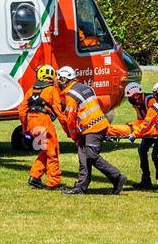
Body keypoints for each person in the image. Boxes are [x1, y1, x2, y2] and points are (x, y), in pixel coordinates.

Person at [56, 66, 132, 195]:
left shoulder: (71, 95)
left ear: (64, 79)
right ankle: (81, 187)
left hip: (92, 128)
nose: (58, 82)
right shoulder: (86, 88)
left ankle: (117, 176)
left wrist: (74, 137)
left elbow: (70, 119)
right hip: (94, 126)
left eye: (59, 80)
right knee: (83, 156)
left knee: (91, 155)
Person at [17, 63, 65, 190]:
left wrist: (25, 128)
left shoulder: (30, 91)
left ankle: (35, 176)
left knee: (45, 150)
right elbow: (58, 110)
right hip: (44, 121)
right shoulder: (52, 90)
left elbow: (22, 111)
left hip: (32, 122)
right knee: (52, 151)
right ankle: (53, 182)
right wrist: (66, 125)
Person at [125, 81, 158, 189]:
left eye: (136, 95)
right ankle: (146, 180)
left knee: (156, 155)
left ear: (139, 92)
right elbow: (140, 119)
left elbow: (152, 118)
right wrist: (137, 107)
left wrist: (136, 133)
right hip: (148, 130)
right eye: (132, 97)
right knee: (142, 150)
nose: (135, 98)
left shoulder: (150, 100)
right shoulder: (135, 101)